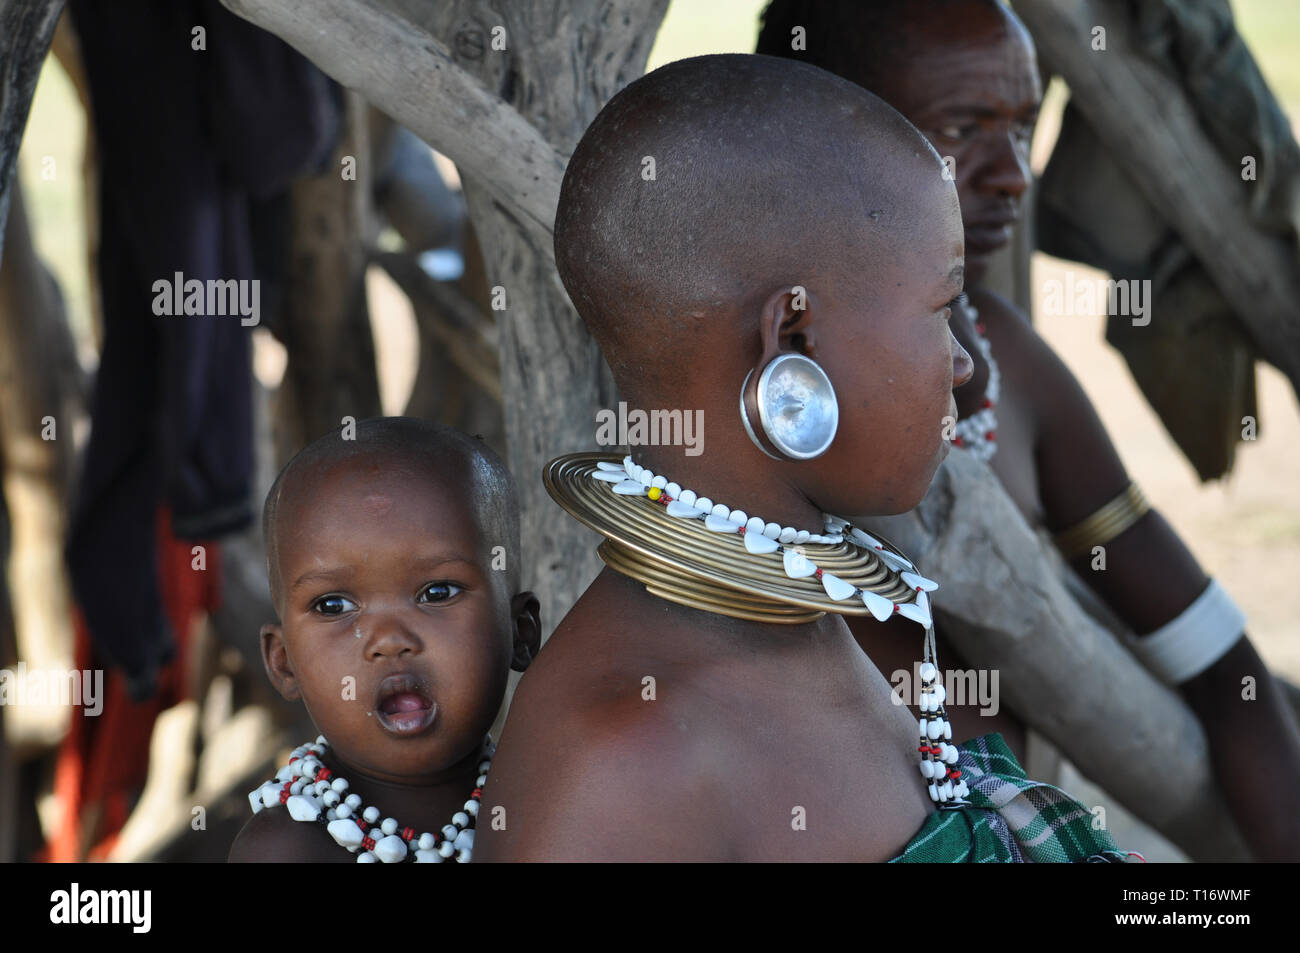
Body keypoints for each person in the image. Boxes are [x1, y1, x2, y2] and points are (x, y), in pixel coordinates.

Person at [475, 53, 1129, 862]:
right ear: (794, 336)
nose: (961, 359)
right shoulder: (625, 758)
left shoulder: (800, 624)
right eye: (941, 305)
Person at [757, 0, 1300, 860]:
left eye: (1025, 125)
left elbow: (1210, 648)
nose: (1013, 173)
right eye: (965, 128)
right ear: (825, 135)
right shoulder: (744, 385)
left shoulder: (1010, 363)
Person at [228, 417, 540, 862]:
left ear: (520, 633)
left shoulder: (547, 805)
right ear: (284, 661)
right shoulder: (287, 849)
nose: (390, 640)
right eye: (333, 606)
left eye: (437, 593)